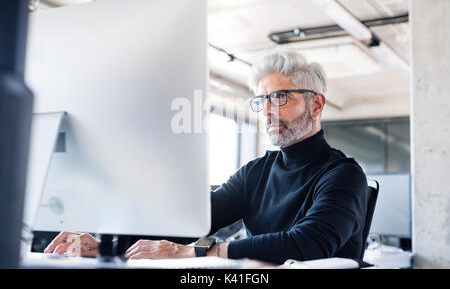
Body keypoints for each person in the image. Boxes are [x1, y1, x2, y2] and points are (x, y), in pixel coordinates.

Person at [44, 51, 368, 265]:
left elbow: (308, 243)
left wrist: (195, 252)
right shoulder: (256, 172)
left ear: (316, 104)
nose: (267, 110)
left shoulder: (343, 175)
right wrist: (107, 243)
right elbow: (195, 219)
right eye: (261, 100)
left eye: (280, 97)